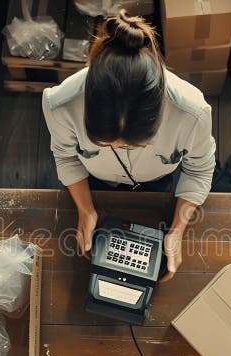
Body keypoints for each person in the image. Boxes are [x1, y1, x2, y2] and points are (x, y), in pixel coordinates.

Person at [41, 10, 216, 283]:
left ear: (159, 113)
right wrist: (86, 209)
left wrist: (177, 229)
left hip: (159, 185)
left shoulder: (192, 112)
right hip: (93, 184)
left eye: (135, 143)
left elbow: (199, 171)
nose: (121, 149)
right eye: (105, 143)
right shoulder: (59, 104)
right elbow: (66, 158)